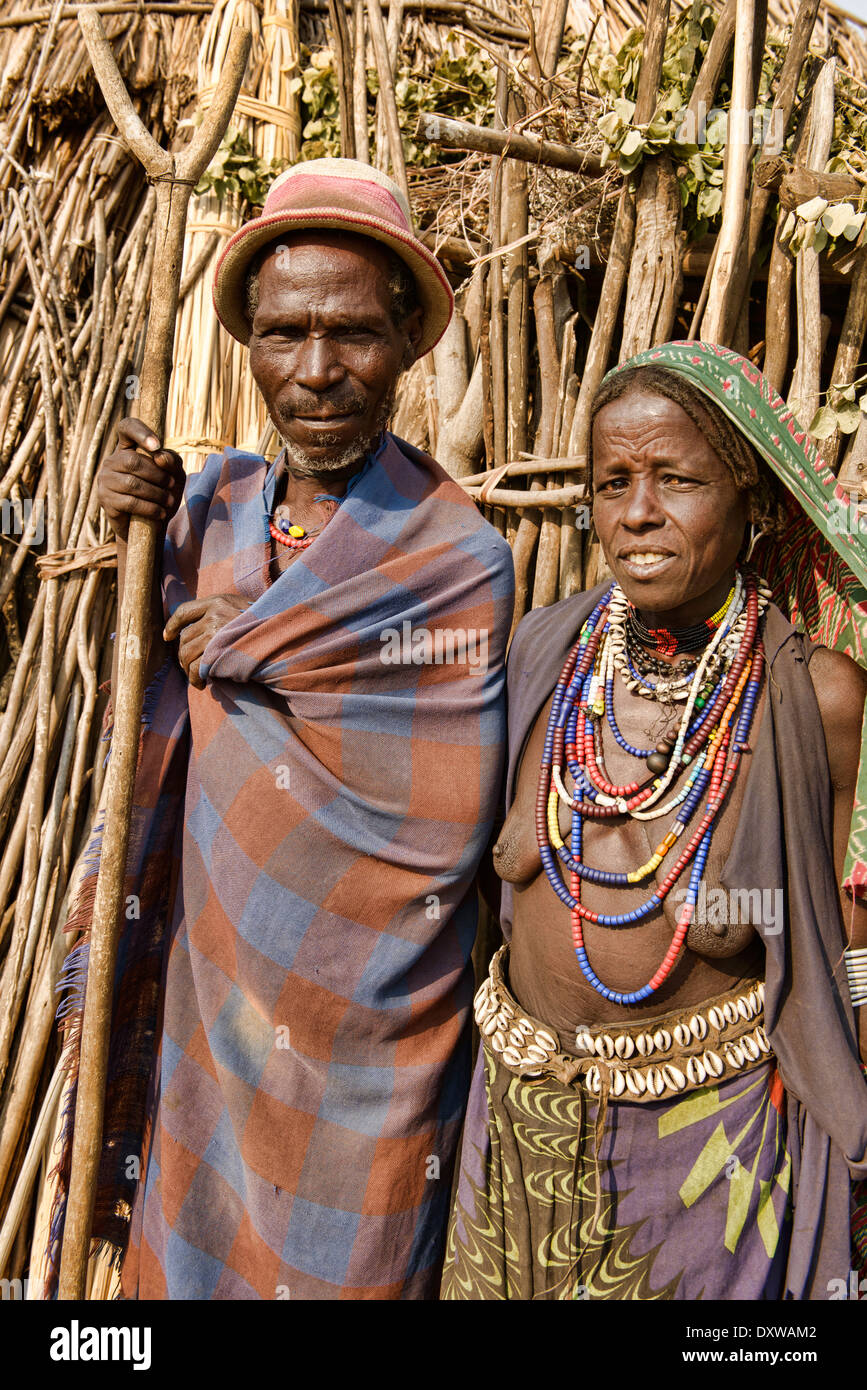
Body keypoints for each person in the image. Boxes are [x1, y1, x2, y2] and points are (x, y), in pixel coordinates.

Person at [49, 158, 514, 1300]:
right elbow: (132, 695)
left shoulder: (458, 559)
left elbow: (441, 829)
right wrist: (129, 532)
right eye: (284, 332)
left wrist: (261, 642)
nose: (317, 371)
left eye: (353, 332)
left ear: (408, 337)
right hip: (213, 1021)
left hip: (369, 1047)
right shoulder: (207, 510)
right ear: (248, 343)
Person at [442, 340, 867, 1301]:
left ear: (752, 503)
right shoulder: (544, 655)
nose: (636, 513)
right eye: (612, 482)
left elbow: (850, 928)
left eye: (676, 479)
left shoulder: (815, 700)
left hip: (708, 1154)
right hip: (511, 1130)